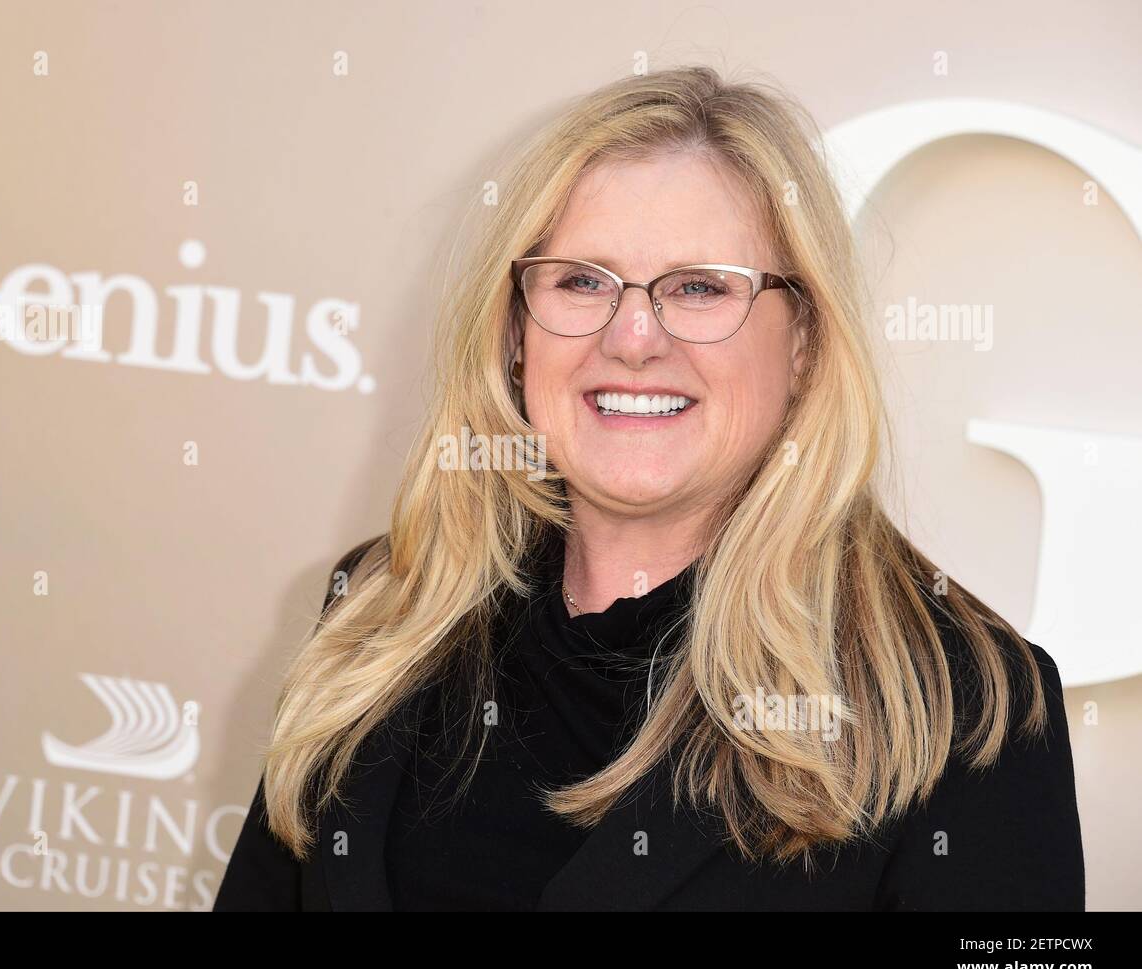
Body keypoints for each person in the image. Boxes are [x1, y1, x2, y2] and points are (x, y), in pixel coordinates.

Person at [214, 66, 1084, 911]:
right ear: (514, 331)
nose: (633, 338)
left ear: (805, 341)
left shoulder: (966, 708)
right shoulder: (382, 608)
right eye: (582, 281)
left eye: (700, 287)